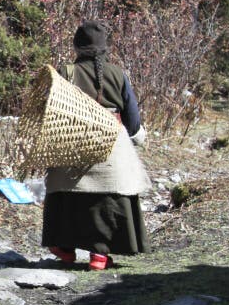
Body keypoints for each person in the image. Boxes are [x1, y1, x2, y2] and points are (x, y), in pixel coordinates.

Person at [43, 20, 151, 270]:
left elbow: (50, 111)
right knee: (108, 197)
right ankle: (99, 255)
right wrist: (135, 138)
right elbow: (133, 120)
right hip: (112, 143)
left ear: (76, 47)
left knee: (66, 194)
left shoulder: (65, 72)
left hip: (71, 141)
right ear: (104, 48)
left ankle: (64, 248)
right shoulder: (117, 74)